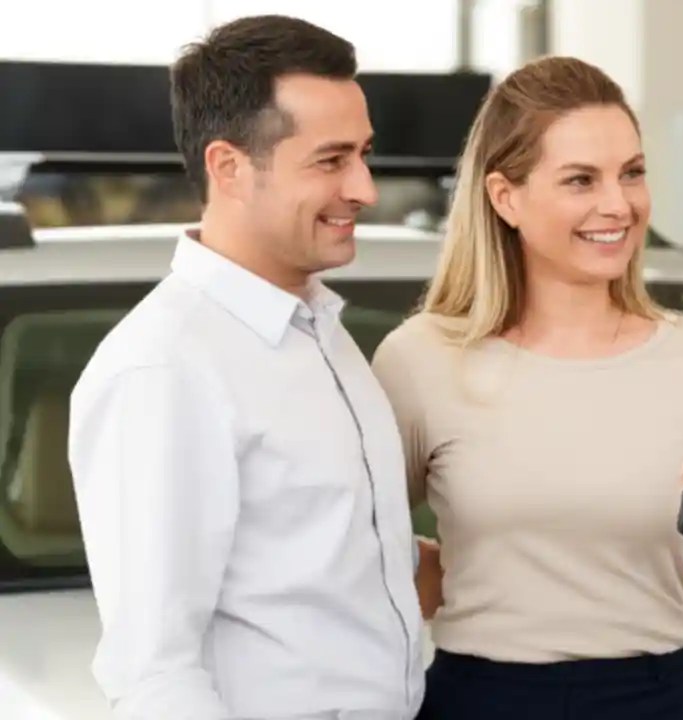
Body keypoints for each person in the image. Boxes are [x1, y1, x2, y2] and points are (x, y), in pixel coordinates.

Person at [371, 56, 683, 720]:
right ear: (505, 197)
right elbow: (357, 554)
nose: (619, 205)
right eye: (581, 180)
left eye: (631, 173)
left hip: (659, 701)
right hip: (480, 701)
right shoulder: (421, 360)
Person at [68, 15, 429, 719]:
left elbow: (306, 560)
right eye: (330, 161)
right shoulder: (164, 368)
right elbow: (154, 673)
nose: (365, 188)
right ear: (228, 167)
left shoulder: (320, 331)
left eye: (364, 154)